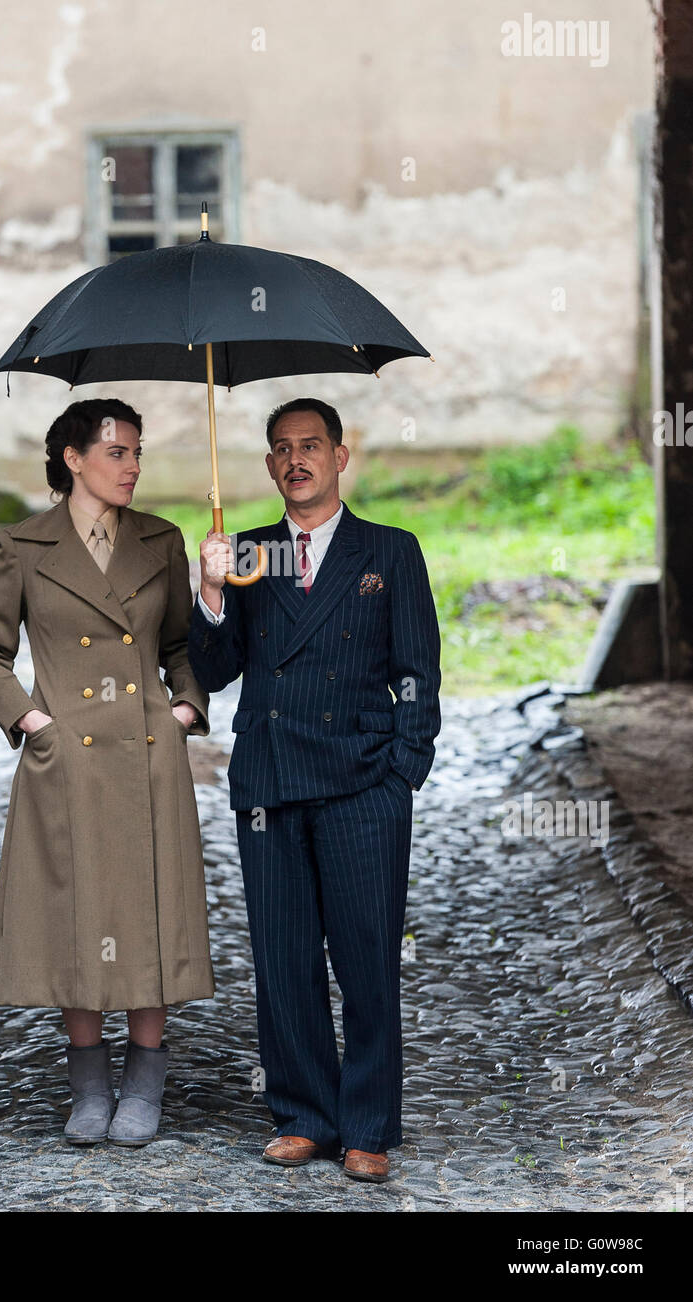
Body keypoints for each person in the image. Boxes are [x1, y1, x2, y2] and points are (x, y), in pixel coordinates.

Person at [187, 397, 441, 1183]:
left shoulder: (389, 551)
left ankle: (366, 1128)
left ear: (339, 456)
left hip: (364, 783)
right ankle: (303, 1116)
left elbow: (418, 672)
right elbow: (217, 668)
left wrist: (403, 769)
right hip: (269, 780)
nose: (296, 460)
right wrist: (211, 591)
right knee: (283, 958)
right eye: (281, 449)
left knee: (366, 960)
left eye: (310, 445)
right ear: (268, 466)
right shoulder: (249, 552)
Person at [0, 397, 214, 1148]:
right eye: (115, 452)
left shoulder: (163, 540)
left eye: (137, 453)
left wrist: (184, 713)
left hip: (145, 757)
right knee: (76, 916)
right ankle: (87, 1083)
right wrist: (34, 723)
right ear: (72, 458)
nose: (131, 466)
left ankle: (145, 1080)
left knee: (146, 914)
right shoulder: (23, 544)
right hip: (65, 760)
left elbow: (180, 649)